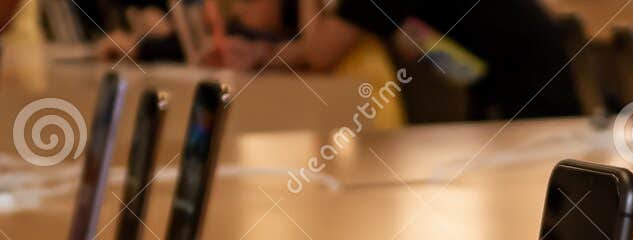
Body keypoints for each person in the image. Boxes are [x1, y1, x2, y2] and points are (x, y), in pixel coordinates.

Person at [222, 0, 578, 121]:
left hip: (531, 83)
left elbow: (320, 54)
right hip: (493, 78)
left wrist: (261, 56)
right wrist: (259, 56)